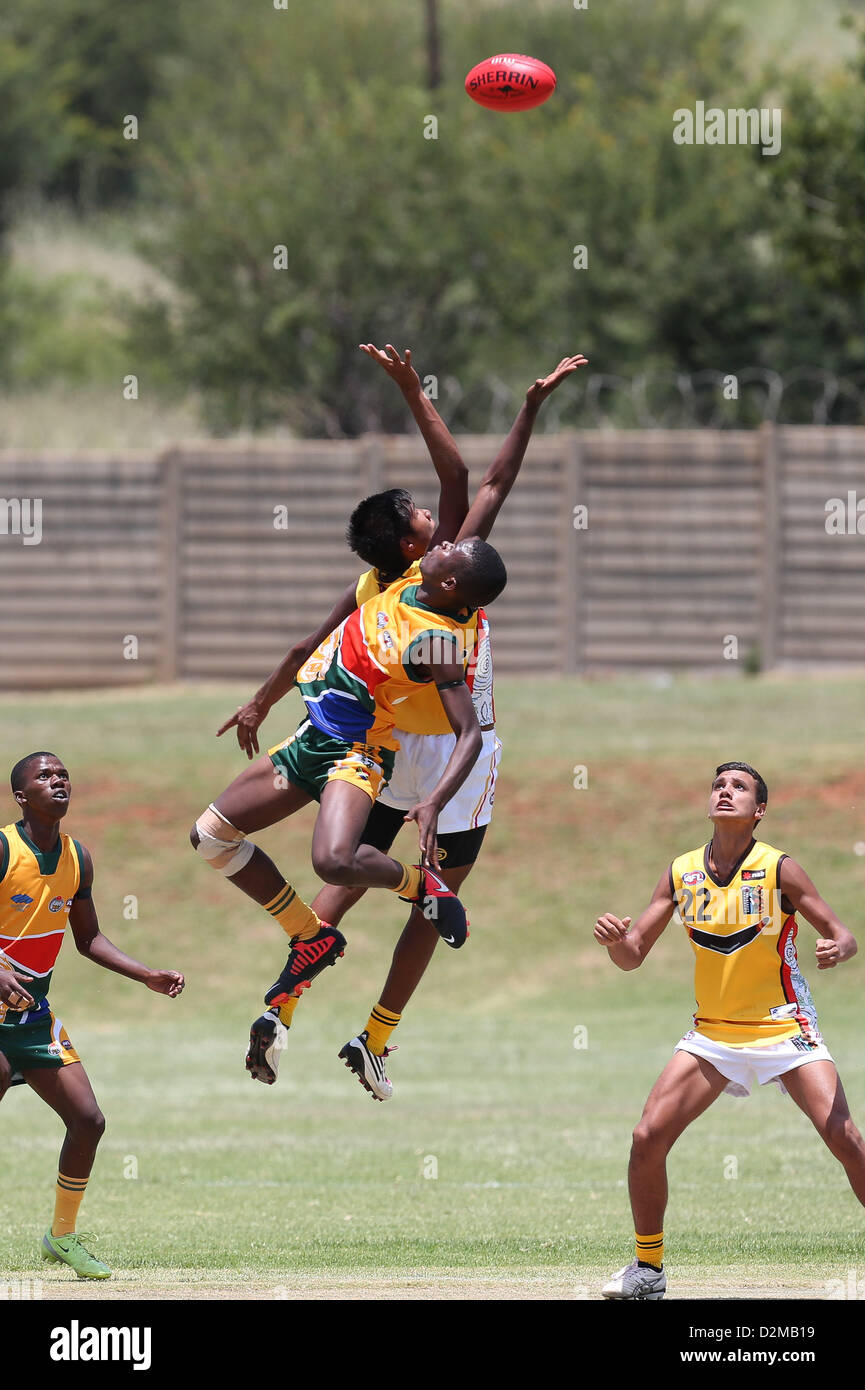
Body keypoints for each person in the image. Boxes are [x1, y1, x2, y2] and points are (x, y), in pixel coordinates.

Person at [227, 345, 586, 1098]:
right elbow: (480, 479)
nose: (439, 521)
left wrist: (263, 699)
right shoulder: (450, 579)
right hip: (454, 749)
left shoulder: (383, 583)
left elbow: (311, 642)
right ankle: (376, 1035)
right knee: (434, 892)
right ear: (425, 552)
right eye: (428, 523)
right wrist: (524, 408)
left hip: (383, 746)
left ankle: (281, 1004)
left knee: (352, 869)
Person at [594, 761, 865, 1300]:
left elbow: (843, 932)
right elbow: (633, 957)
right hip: (714, 1034)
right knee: (647, 1138)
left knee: (845, 1137)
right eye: (719, 785)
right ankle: (648, 1272)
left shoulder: (780, 868)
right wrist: (613, 942)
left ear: (758, 810)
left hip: (782, 1025)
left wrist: (838, 947)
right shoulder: (682, 871)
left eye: (739, 787)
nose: (725, 791)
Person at [0, 752, 184, 1279]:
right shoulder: (3, 847)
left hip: (32, 1020)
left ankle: (62, 1237)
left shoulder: (78, 857)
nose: (58, 781)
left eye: (63, 776)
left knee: (88, 1120)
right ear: (21, 795)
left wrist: (145, 973)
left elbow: (89, 939)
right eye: (44, 776)